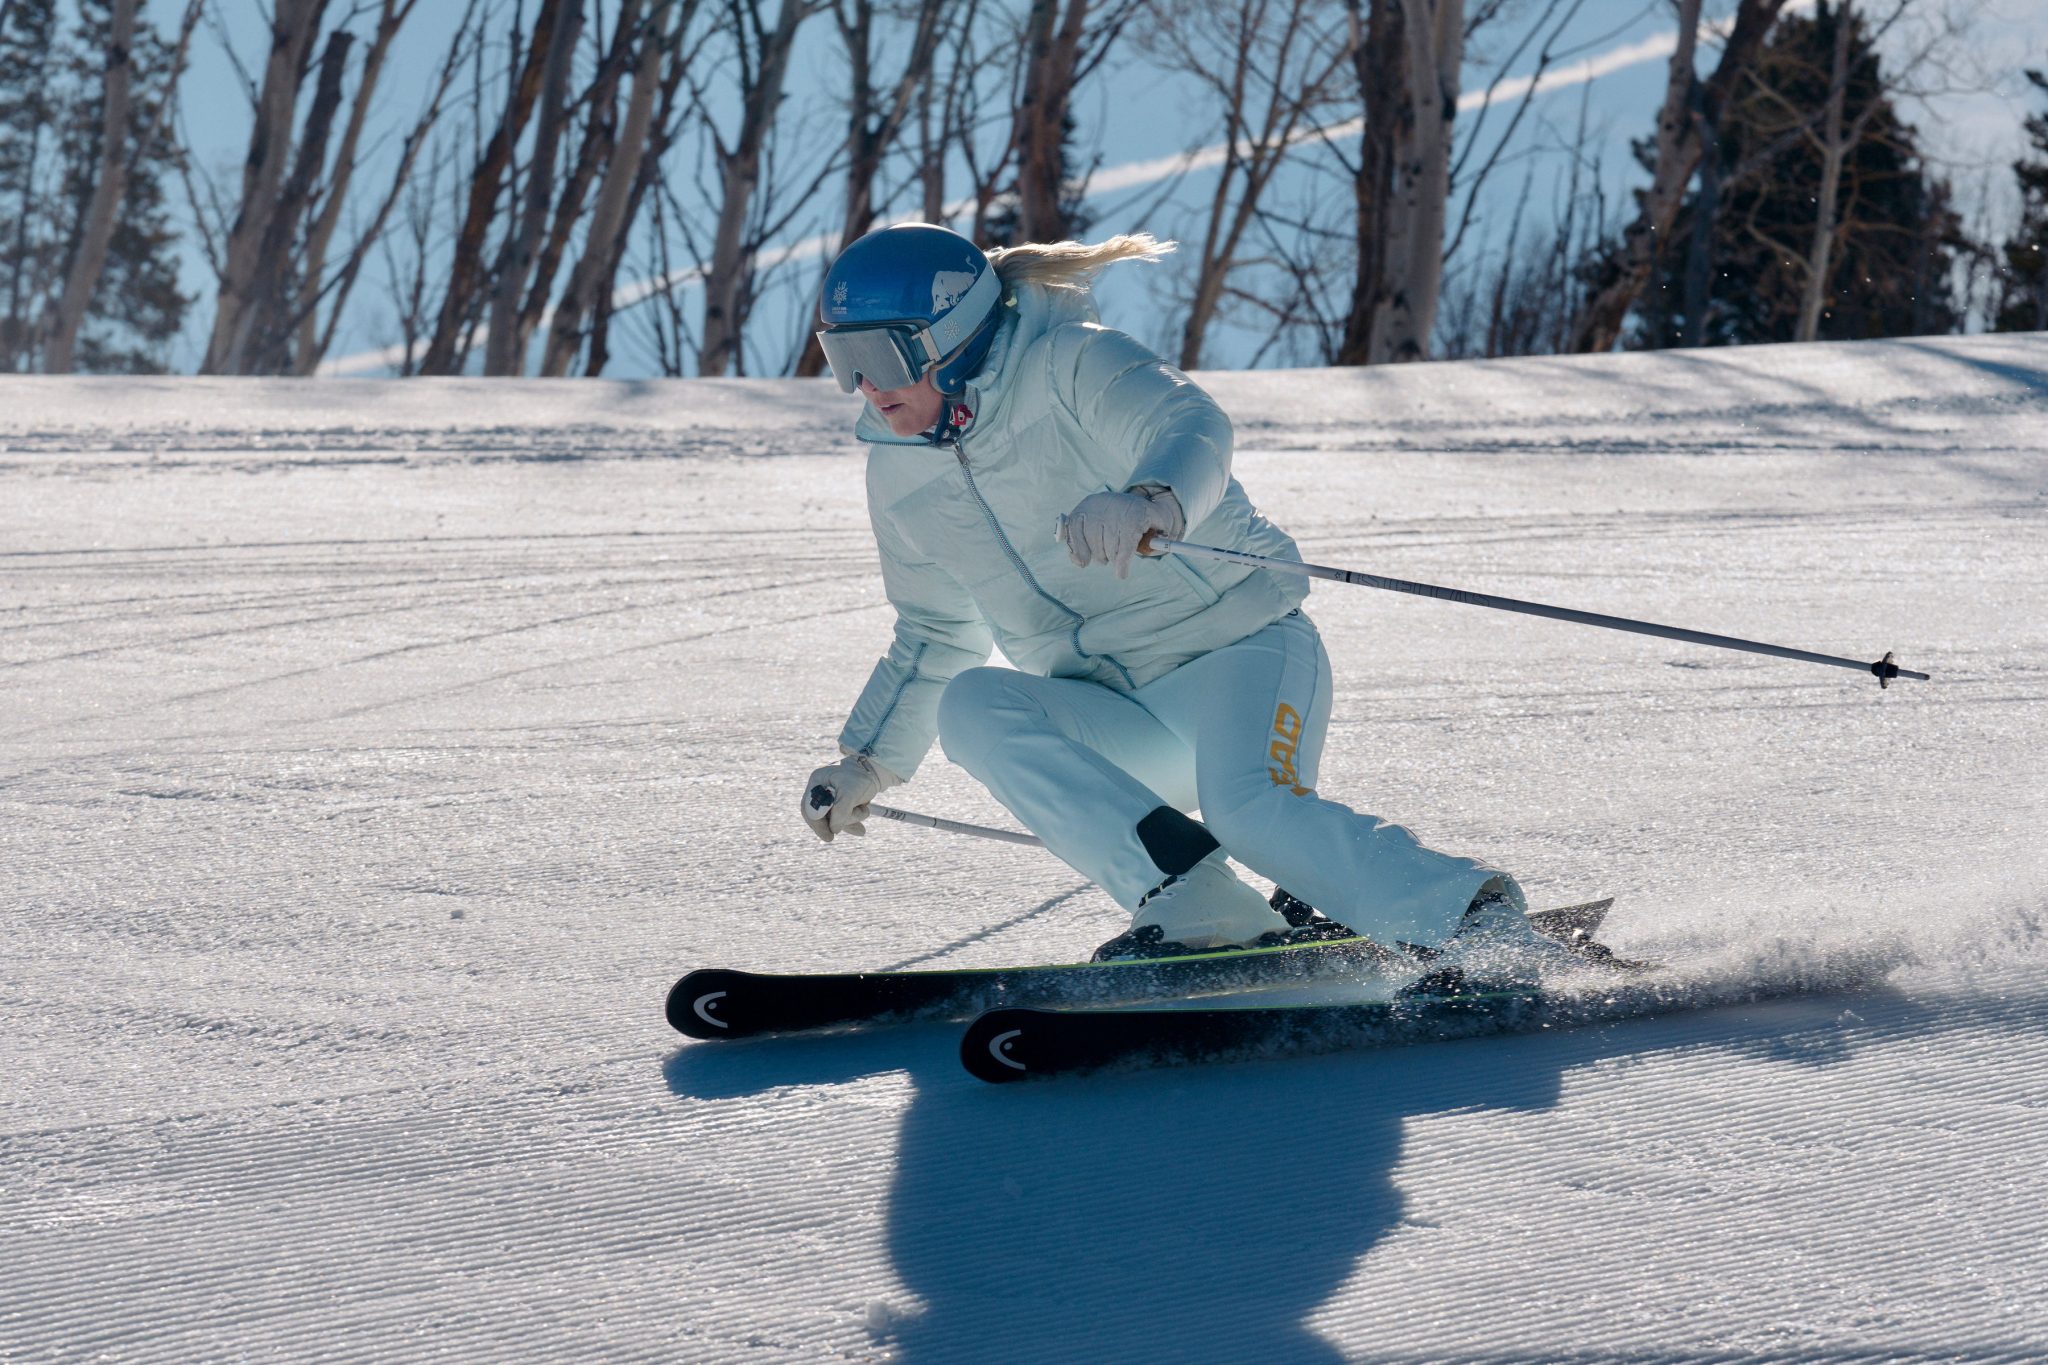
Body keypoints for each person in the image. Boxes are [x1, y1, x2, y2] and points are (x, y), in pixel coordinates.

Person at [800, 221, 1555, 972]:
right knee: (970, 703)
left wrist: (1152, 499)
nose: (865, 386)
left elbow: (1190, 423)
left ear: (951, 337)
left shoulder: (1070, 363)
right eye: (844, 360)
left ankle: (1471, 920)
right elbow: (936, 630)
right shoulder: (898, 474)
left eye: (880, 356)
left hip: (1239, 650)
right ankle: (1198, 903)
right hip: (1116, 713)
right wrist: (868, 761)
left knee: (1250, 809)